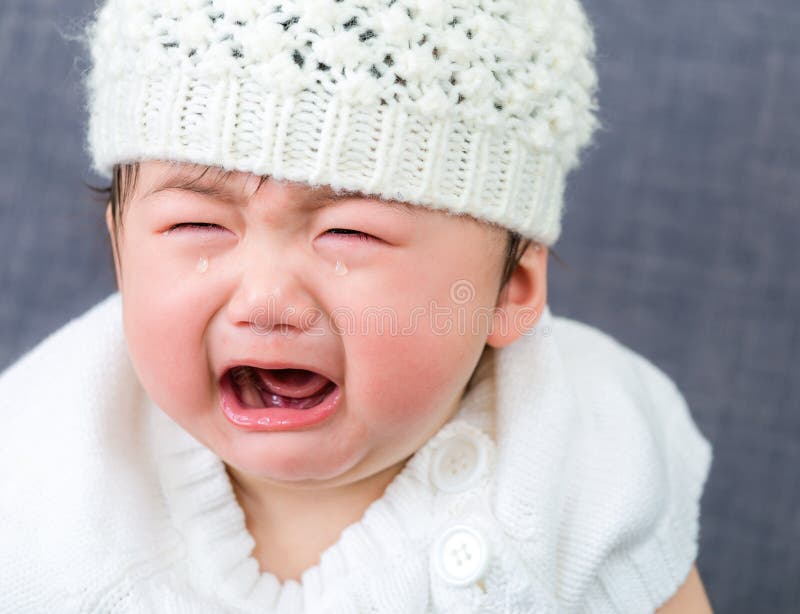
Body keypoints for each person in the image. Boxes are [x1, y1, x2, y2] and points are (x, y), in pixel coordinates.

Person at [0, 0, 714, 612]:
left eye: (350, 234)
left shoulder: (590, 464)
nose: (268, 299)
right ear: (121, 253)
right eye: (199, 226)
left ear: (510, 291)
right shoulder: (40, 468)